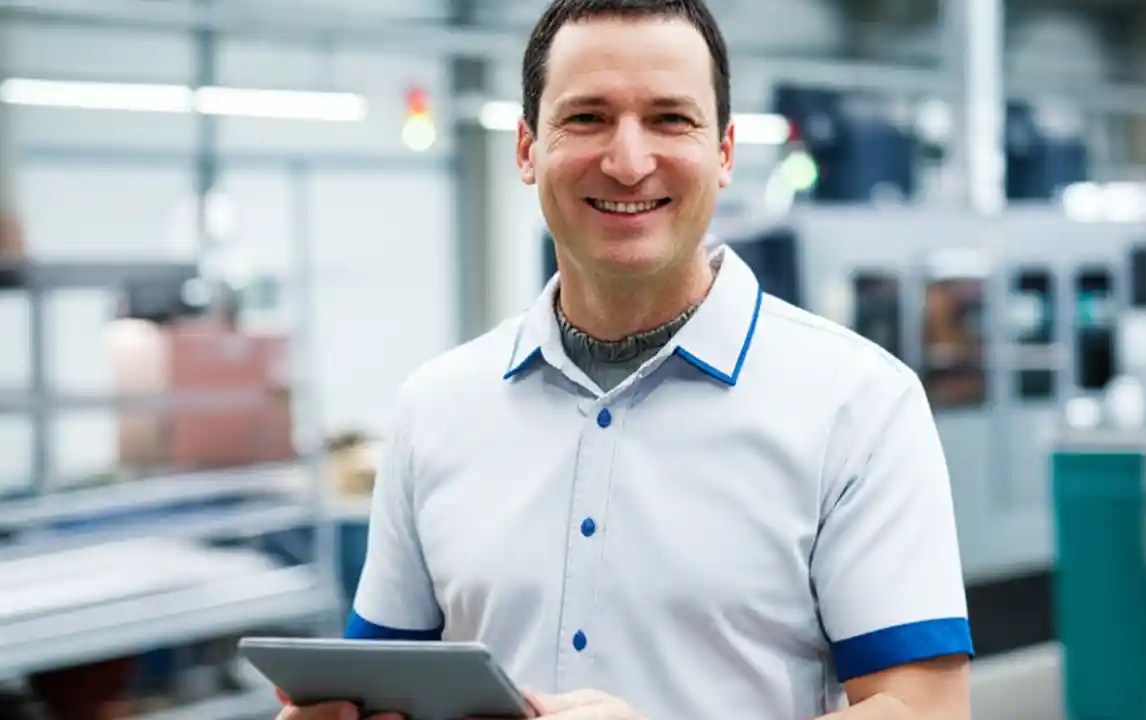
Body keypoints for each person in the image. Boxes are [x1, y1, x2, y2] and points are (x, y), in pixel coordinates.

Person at [280, 0, 973, 717]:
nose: (628, 161)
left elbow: (927, 709)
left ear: (726, 152)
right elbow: (380, 687)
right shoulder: (436, 408)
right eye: (587, 118)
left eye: (670, 119)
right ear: (526, 149)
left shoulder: (857, 405)